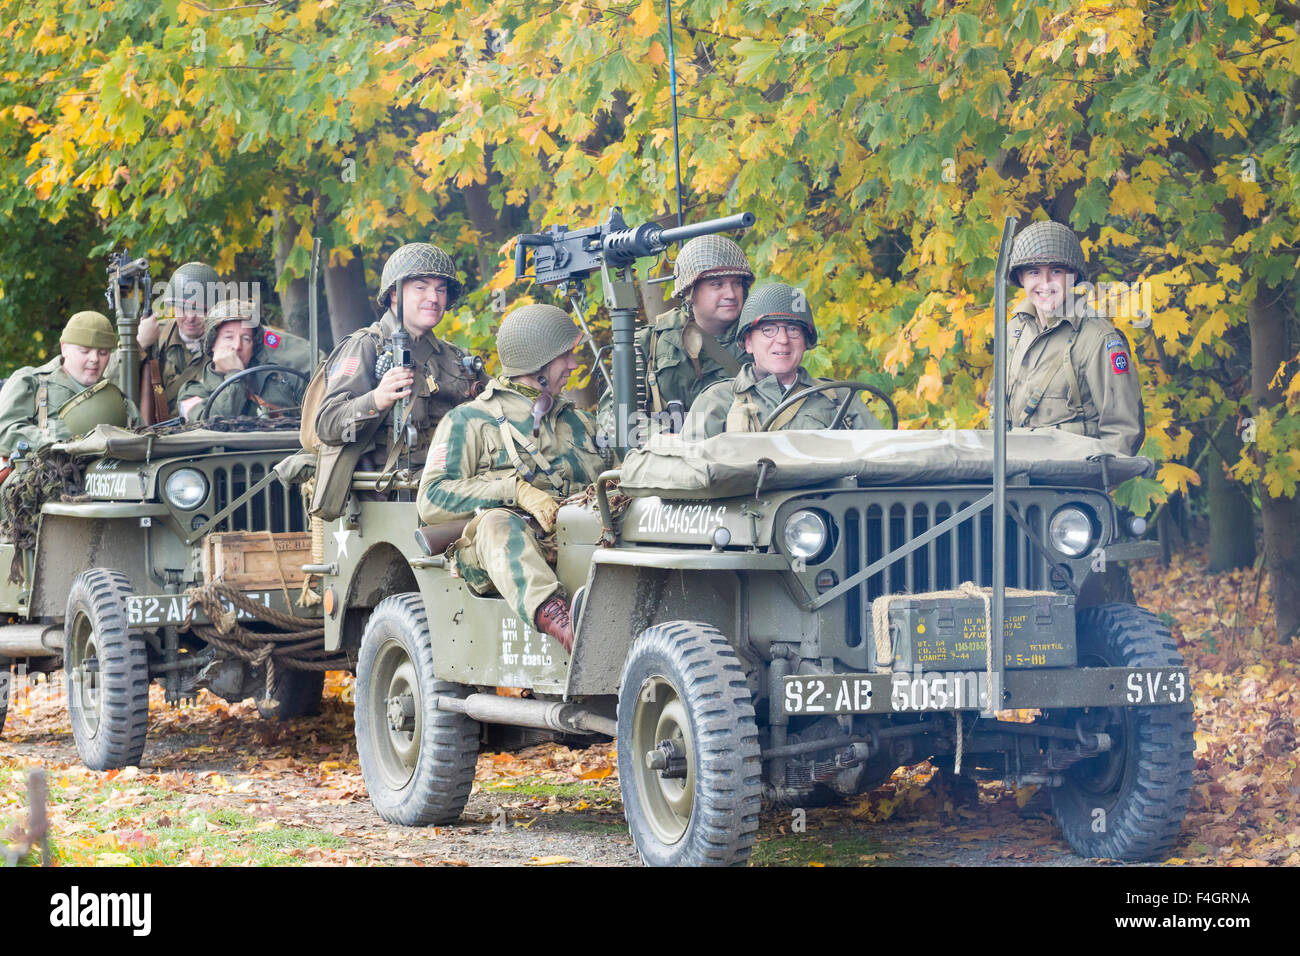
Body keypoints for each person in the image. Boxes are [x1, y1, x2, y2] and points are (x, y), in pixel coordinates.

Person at [417, 305, 606, 652]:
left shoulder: (579, 421)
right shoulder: (470, 421)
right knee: (496, 524)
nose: (574, 365)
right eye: (566, 355)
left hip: (582, 542)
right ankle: (562, 623)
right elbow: (432, 498)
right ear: (539, 364)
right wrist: (515, 491)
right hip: (507, 552)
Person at [312, 243, 487, 514]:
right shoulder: (365, 346)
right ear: (394, 293)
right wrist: (376, 399)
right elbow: (327, 424)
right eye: (421, 287)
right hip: (393, 498)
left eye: (441, 289)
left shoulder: (454, 357)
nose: (434, 297)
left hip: (456, 481)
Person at [1002, 220, 1145, 456]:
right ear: (1021, 278)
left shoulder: (1098, 338)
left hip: (1070, 482)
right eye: (1034, 272)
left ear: (1073, 275)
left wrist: (1091, 484)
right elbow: (998, 412)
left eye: (1056, 271)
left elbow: (1123, 432)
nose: (1045, 284)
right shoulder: (1014, 330)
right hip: (1014, 480)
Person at [682, 283, 880, 439]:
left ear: (805, 342)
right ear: (748, 343)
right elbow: (688, 472)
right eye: (768, 330)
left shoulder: (841, 399)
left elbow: (883, 458)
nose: (783, 339)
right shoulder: (715, 401)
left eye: (793, 329)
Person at [0, 311, 139, 479]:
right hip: (42, 491)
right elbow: (5, 431)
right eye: (85, 351)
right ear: (64, 348)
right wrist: (64, 441)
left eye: (103, 353)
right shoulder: (31, 382)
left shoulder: (117, 400)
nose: (95, 359)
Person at [634, 234, 754, 421]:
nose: (731, 293)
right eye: (717, 284)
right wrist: (662, 438)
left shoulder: (760, 340)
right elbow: (615, 420)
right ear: (689, 291)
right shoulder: (650, 342)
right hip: (669, 449)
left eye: (737, 283)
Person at [177, 300, 308, 420]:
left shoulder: (285, 379)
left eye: (246, 339)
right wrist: (235, 375)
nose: (237, 346)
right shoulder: (192, 392)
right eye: (228, 337)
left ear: (253, 348)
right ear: (212, 344)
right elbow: (210, 426)